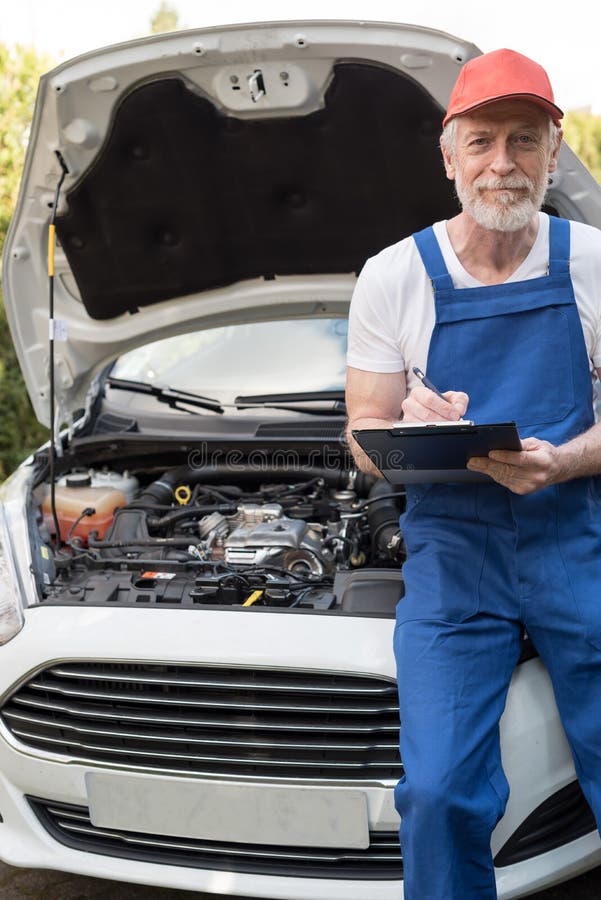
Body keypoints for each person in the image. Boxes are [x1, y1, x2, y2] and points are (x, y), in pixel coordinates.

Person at [345, 48, 601, 900]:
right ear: (448, 156)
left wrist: (564, 460)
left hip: (576, 534)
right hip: (454, 549)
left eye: (524, 140)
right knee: (438, 793)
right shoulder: (391, 278)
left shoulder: (590, 262)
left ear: (553, 150)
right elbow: (362, 431)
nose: (503, 163)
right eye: (482, 141)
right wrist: (409, 430)